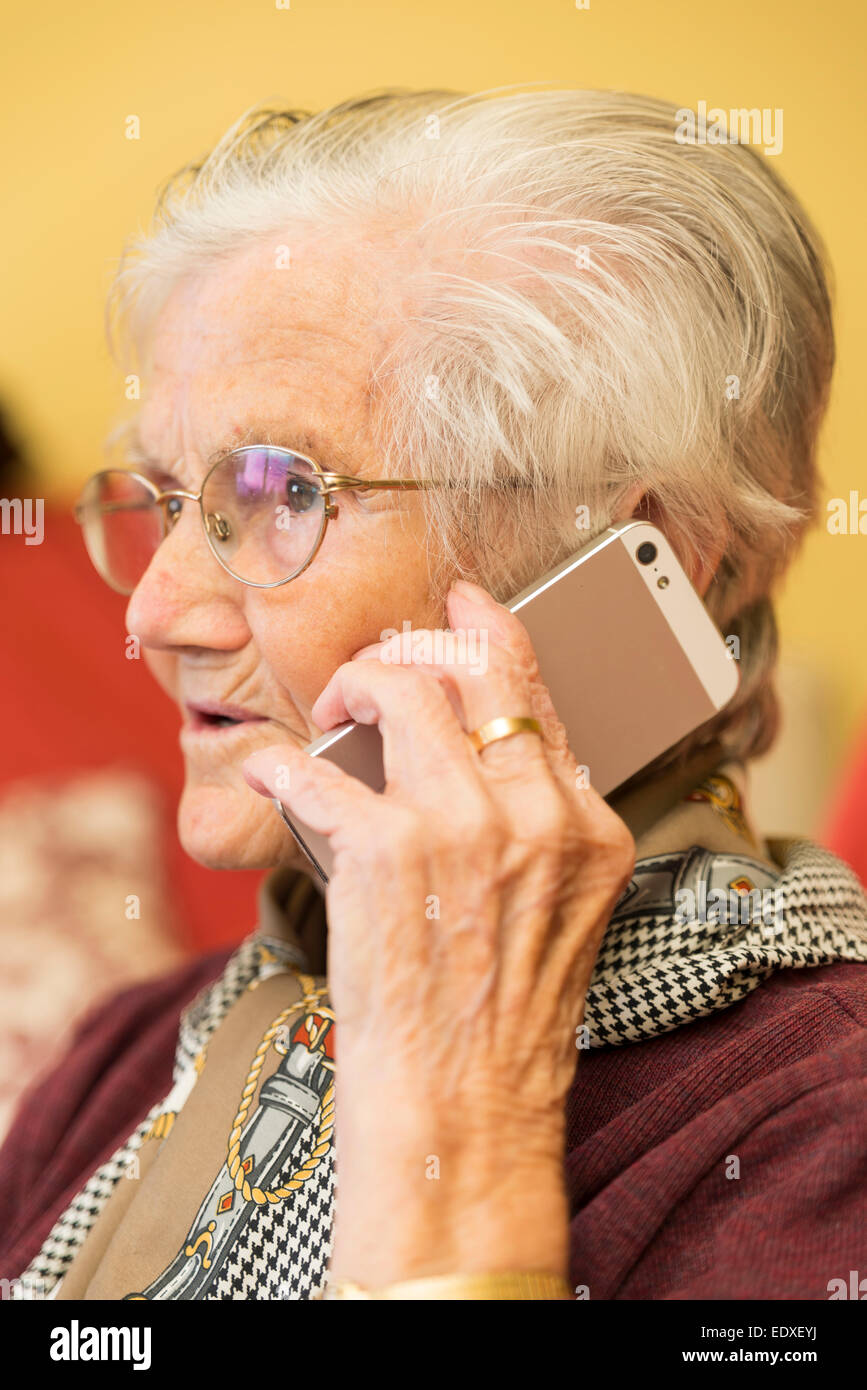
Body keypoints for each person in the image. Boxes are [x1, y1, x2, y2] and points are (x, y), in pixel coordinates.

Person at [2, 87, 866, 1302]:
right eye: (163, 494)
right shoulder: (127, 1053)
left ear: (629, 557)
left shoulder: (821, 1133)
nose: (149, 617)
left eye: (282, 494)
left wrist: (464, 1193)